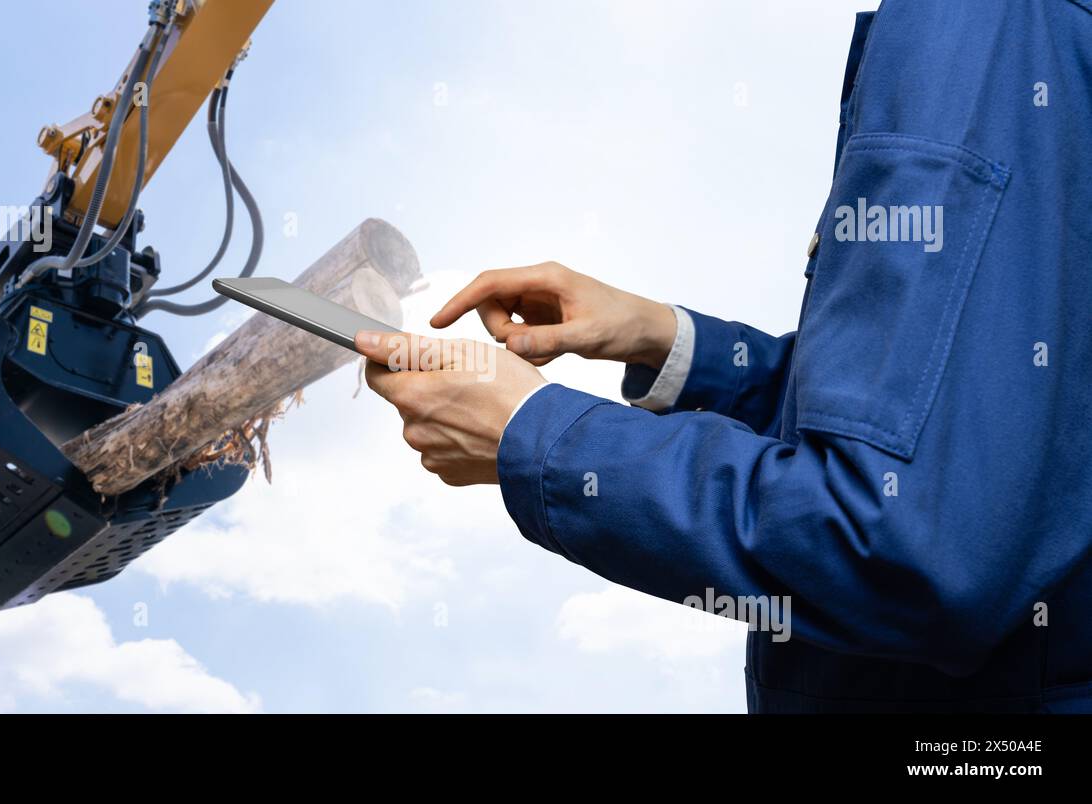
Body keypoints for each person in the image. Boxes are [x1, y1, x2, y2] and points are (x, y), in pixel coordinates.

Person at [354, 0, 1092, 713]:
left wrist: (535, 435)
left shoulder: (984, 27)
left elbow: (904, 546)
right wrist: (672, 343)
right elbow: (968, 419)